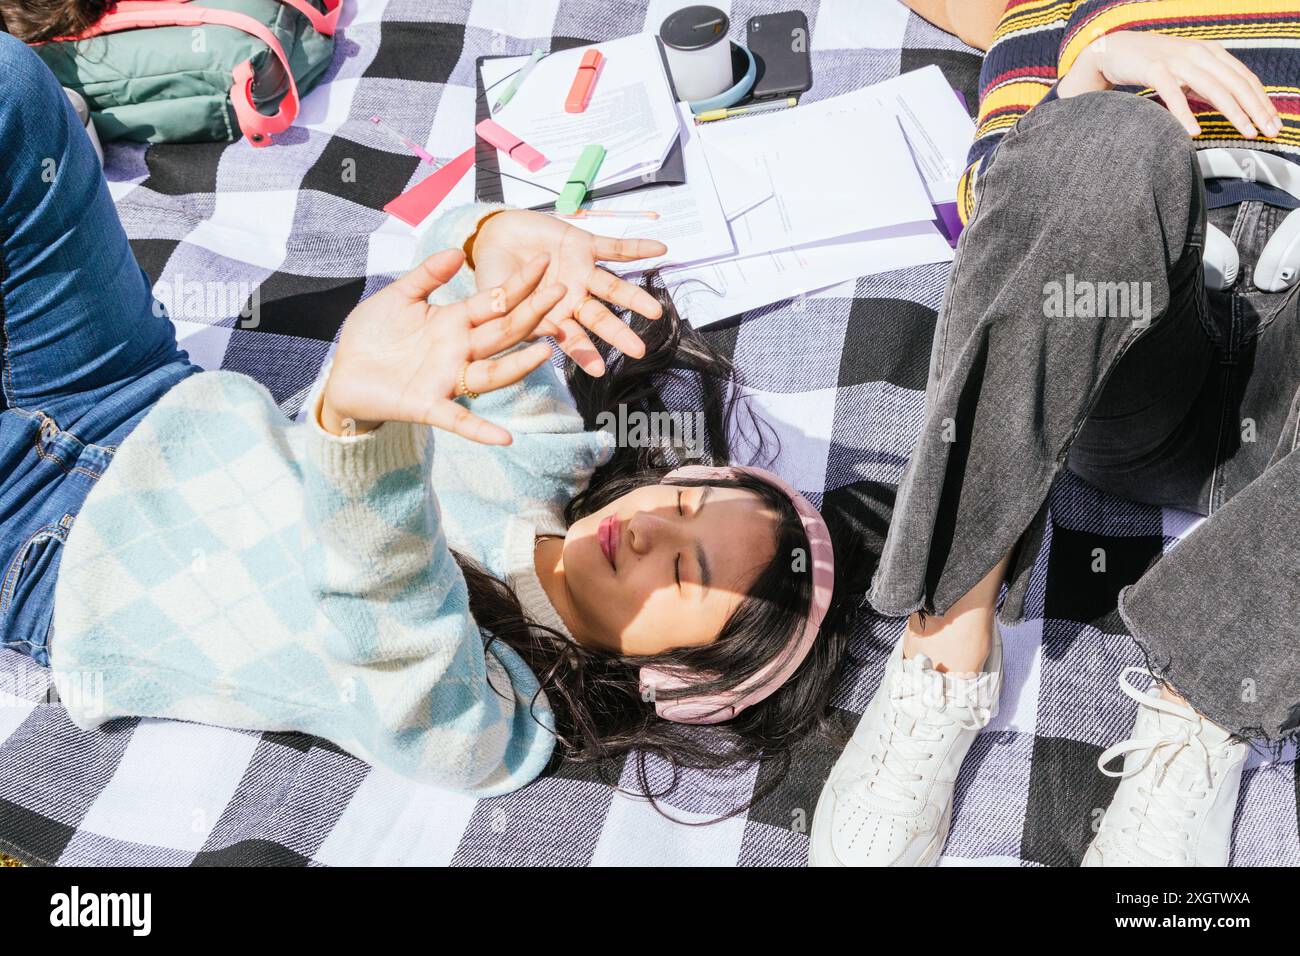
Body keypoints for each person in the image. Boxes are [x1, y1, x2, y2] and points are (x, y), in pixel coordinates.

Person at [0, 32, 855, 801]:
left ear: (673, 682)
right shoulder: (541, 461)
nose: (646, 532)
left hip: (46, 561)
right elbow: (447, 287)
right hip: (131, 391)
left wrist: (356, 434)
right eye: (684, 504)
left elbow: (391, 602)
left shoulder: (498, 719)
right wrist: (491, 245)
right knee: (17, 85)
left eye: (679, 573)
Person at [812, 0, 1300, 866]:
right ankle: (947, 648)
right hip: (1125, 350)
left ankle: (1203, 709)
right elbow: (1014, 234)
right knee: (1105, 140)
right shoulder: (1041, 21)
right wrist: (1090, 70)